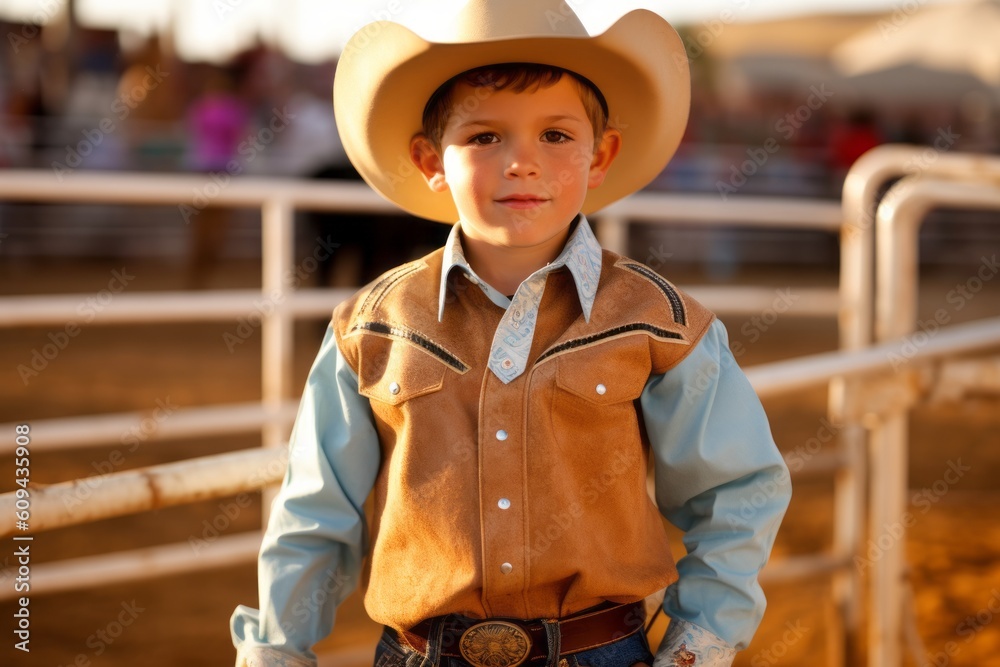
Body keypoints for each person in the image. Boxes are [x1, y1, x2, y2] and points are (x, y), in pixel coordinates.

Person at [230, 1, 791, 666]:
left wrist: (698, 644)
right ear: (430, 160)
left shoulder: (659, 322)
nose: (521, 162)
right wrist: (277, 649)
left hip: (601, 650)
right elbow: (316, 512)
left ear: (601, 154)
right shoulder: (372, 326)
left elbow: (736, 490)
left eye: (555, 135)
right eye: (484, 137)